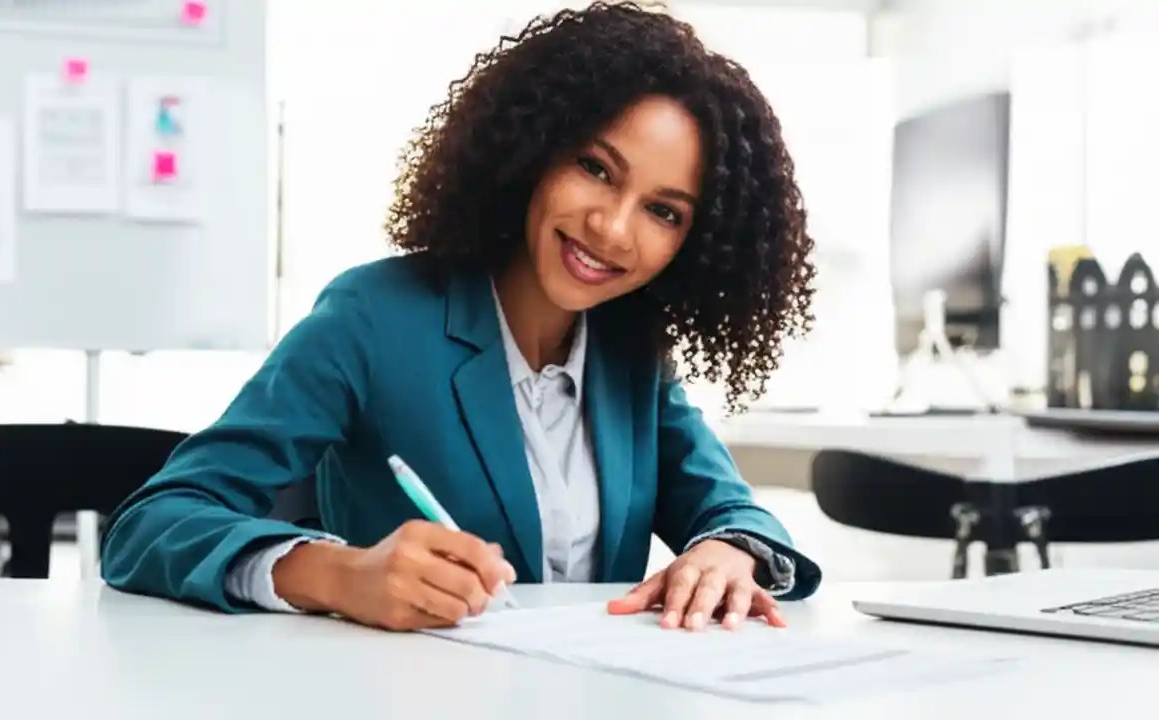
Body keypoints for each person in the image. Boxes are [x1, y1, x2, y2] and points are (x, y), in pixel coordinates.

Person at [101, 2, 821, 632]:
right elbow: (151, 524)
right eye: (595, 169)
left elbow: (734, 515)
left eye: (663, 211)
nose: (612, 228)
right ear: (536, 148)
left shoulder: (631, 351)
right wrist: (337, 575)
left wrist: (728, 552)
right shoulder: (374, 317)